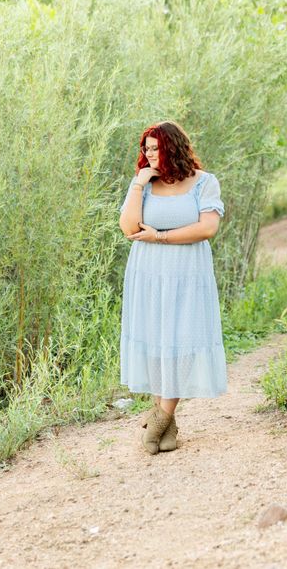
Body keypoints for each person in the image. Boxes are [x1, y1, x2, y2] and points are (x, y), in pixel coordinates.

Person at [117, 120, 227, 455]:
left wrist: (160, 236)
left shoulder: (204, 183)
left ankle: (160, 418)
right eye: (146, 148)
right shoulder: (145, 184)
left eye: (156, 147)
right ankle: (167, 424)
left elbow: (207, 228)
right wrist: (138, 184)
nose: (150, 154)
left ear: (173, 147)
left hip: (188, 275)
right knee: (155, 342)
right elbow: (128, 227)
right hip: (148, 274)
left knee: (181, 342)